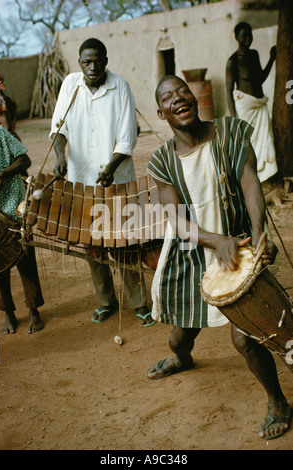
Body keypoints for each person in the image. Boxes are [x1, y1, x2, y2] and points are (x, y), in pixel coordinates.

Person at [146, 75, 291, 440]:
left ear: (194, 98)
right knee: (178, 339)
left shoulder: (229, 131)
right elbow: (177, 222)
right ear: (161, 112)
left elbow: (249, 182)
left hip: (238, 250)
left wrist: (257, 234)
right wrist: (215, 241)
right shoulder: (161, 161)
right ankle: (183, 358)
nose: (179, 98)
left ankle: (278, 403)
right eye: (168, 97)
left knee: (245, 340)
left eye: (183, 91)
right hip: (192, 257)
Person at [50, 38, 154, 327]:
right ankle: (106, 301)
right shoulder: (70, 85)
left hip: (117, 179)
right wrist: (61, 156)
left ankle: (139, 303)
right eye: (86, 61)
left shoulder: (120, 86)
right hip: (82, 180)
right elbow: (59, 128)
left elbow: (127, 137)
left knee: (125, 242)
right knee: (92, 244)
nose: (92, 67)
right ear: (79, 62)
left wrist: (110, 167)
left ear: (106, 59)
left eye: (97, 60)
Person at [0, 126, 44, 334]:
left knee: (25, 256)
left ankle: (34, 309)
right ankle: (8, 312)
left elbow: (25, 160)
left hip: (14, 206)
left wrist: (2, 173)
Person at [226, 22, 278, 183]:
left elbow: (260, 78)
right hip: (245, 108)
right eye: (243, 35)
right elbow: (228, 92)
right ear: (236, 38)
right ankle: (253, 180)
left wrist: (271, 59)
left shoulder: (254, 55)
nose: (248, 38)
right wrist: (234, 117)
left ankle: (268, 179)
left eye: (250, 34)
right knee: (250, 143)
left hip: (259, 105)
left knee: (265, 141)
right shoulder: (232, 61)